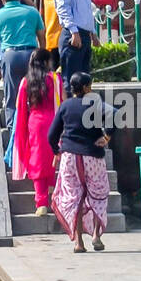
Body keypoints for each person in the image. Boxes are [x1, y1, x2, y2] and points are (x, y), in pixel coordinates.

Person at [48, 70, 114, 252]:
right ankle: (96, 236)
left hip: (70, 157)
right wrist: (107, 137)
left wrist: (57, 151)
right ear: (85, 88)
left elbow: (51, 135)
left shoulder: (65, 106)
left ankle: (78, 242)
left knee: (75, 198)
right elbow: (115, 114)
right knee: (98, 195)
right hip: (93, 156)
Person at [0, 0, 46, 130]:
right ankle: (36, 123)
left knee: (11, 95)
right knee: (35, 91)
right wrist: (41, 55)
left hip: (10, 56)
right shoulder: (32, 12)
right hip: (31, 55)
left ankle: (13, 128)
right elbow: (42, 36)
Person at [11, 48, 62, 214]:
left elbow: (20, 108)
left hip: (35, 123)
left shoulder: (26, 81)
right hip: (54, 122)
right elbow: (62, 101)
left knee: (38, 160)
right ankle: (52, 191)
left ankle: (41, 203)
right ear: (46, 62)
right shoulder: (55, 79)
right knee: (52, 157)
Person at [55, 0, 95, 83]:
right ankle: (69, 104)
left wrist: (93, 33)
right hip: (73, 35)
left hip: (84, 35)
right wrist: (74, 32)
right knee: (71, 80)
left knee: (84, 80)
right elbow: (63, 9)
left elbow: (87, 9)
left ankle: (82, 104)